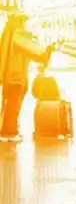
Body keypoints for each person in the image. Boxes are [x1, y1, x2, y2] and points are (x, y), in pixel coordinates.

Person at [0, 12, 53, 141]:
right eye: (23, 21)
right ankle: (9, 132)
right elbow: (34, 50)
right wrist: (47, 50)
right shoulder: (17, 35)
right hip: (15, 77)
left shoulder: (8, 33)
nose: (25, 24)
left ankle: (7, 130)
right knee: (13, 105)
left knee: (8, 104)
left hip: (10, 76)